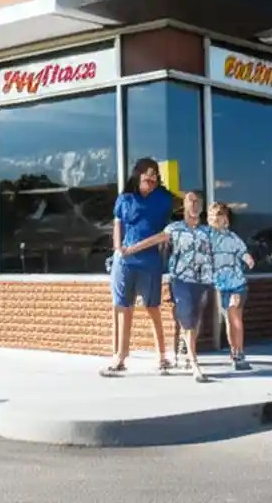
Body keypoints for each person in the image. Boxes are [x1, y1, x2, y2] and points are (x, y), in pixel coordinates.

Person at [122, 191, 212, 382]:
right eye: (191, 201)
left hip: (202, 281)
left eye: (198, 202)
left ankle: (185, 347)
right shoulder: (175, 229)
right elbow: (154, 240)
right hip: (180, 278)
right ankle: (194, 362)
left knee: (195, 320)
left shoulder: (208, 232)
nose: (194, 205)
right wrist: (131, 249)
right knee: (186, 314)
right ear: (185, 206)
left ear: (202, 207)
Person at [100, 158, 174, 377]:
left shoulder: (164, 198)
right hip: (124, 261)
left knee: (152, 307)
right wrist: (117, 249)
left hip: (149, 260)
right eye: (148, 175)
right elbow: (117, 224)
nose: (152, 180)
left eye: (155, 176)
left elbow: (167, 230)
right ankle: (120, 357)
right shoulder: (125, 199)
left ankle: (162, 357)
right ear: (138, 174)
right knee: (123, 307)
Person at [208, 202, 256, 371]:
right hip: (220, 286)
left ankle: (240, 352)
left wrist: (248, 259)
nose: (216, 219)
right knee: (229, 318)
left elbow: (242, 252)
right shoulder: (206, 238)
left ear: (225, 219)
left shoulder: (232, 238)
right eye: (213, 216)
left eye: (219, 216)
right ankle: (234, 352)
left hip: (236, 284)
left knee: (235, 314)